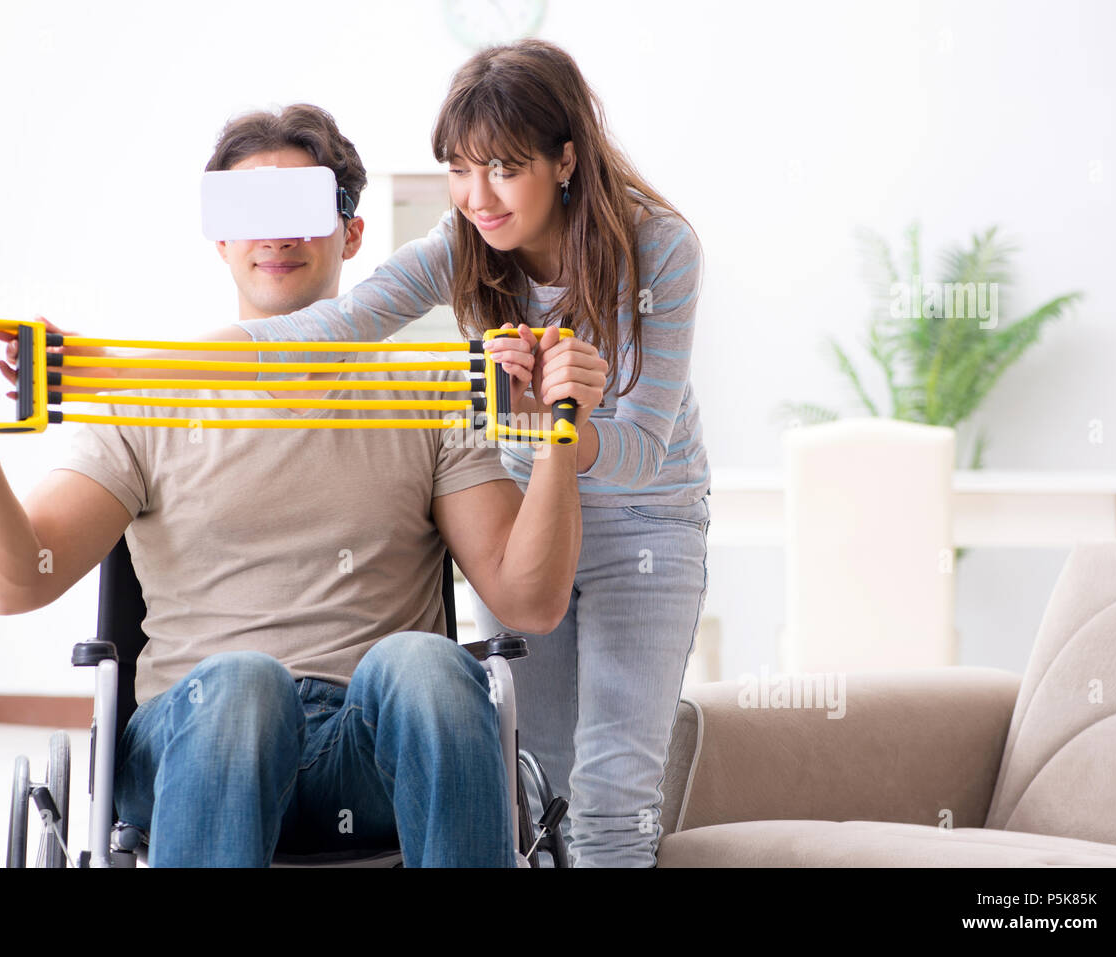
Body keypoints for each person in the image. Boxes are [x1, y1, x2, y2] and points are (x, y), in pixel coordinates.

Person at [73, 40, 712, 867]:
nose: (478, 198)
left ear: (565, 160)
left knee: (614, 786)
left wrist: (566, 420)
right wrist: (133, 368)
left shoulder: (660, 249)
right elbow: (345, 321)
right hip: (528, 489)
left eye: (504, 169)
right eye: (458, 170)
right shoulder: (467, 240)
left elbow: (639, 450)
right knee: (541, 779)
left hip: (644, 515)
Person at [0, 103, 604, 867]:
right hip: (199, 744)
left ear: (352, 232)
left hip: (367, 750)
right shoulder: (150, 395)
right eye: (251, 212)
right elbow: (17, 580)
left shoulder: (431, 392)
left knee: (431, 665)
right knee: (247, 688)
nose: (276, 235)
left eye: (303, 210)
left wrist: (555, 432)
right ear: (220, 235)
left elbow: (531, 598)